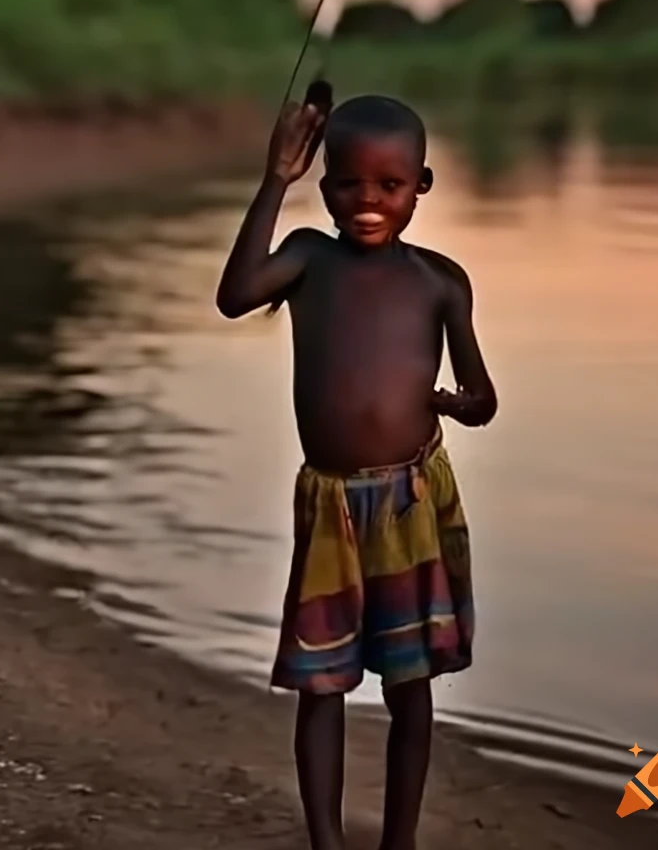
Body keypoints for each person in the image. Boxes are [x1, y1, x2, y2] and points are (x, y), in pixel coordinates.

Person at [215, 88, 497, 850]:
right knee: (322, 682)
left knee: (411, 686)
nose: (367, 200)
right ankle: (327, 844)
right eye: (347, 183)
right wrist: (274, 176)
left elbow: (482, 396)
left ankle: (397, 842)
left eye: (390, 185)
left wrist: (450, 402)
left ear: (422, 186)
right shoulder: (308, 257)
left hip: (411, 499)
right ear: (324, 182)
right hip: (332, 504)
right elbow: (236, 295)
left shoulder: (441, 281)